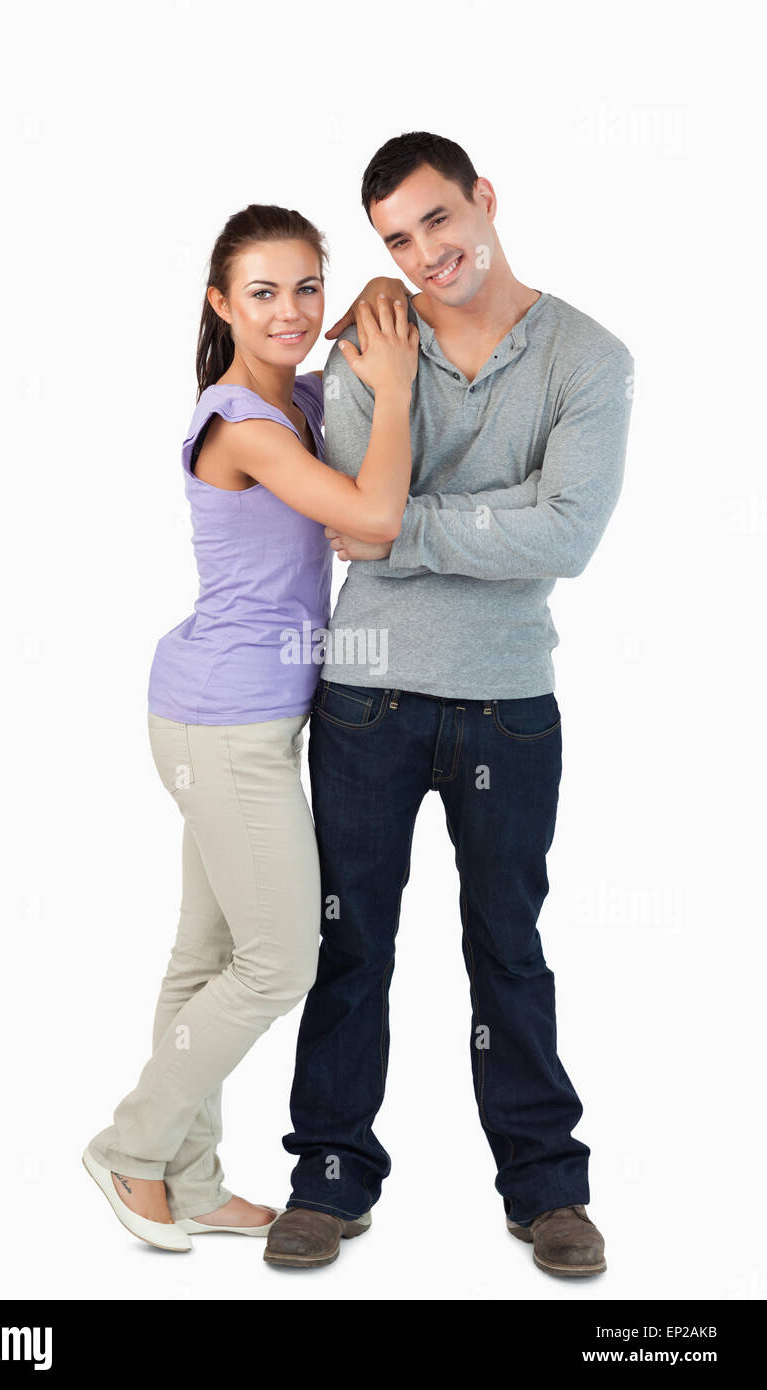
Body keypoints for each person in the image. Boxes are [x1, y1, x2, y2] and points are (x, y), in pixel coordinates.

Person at [265, 132, 635, 1276]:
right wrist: (467, 512)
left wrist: (406, 525)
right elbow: (343, 495)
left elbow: (564, 534)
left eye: (436, 220)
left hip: (507, 701)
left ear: (483, 198)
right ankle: (327, 1175)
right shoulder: (377, 336)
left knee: (507, 949)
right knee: (348, 943)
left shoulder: (587, 357)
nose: (424, 254)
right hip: (367, 694)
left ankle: (545, 1188)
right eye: (394, 240)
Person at [83, 203, 419, 1252]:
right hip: (220, 721)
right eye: (261, 292)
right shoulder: (242, 425)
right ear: (221, 305)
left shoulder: (303, 403)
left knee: (206, 952)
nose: (288, 310)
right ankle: (132, 1145)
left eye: (305, 288)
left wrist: (370, 299)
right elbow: (368, 523)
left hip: (241, 716)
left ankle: (186, 1177)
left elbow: (387, 307)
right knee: (279, 959)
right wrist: (399, 387)